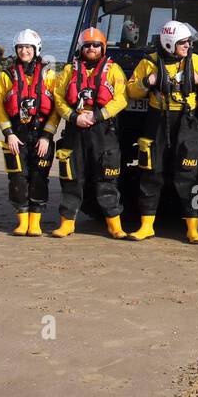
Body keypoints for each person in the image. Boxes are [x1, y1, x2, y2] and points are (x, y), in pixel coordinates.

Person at [127, 20, 198, 243]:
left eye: (188, 42)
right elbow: (131, 90)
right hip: (156, 120)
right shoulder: (149, 63)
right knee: (150, 172)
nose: (188, 46)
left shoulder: (196, 62)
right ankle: (146, 225)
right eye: (183, 43)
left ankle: (194, 227)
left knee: (190, 175)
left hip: (187, 122)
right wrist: (148, 82)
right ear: (169, 44)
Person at [50, 27, 128, 239]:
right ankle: (67, 223)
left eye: (95, 45)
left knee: (107, 178)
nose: (91, 48)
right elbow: (58, 98)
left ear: (102, 47)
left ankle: (114, 224)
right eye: (87, 45)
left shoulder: (113, 70)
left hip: (103, 130)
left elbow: (121, 99)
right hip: (76, 130)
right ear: (81, 48)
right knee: (72, 178)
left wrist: (97, 115)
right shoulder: (68, 71)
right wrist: (75, 117)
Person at [0, 29, 56, 236]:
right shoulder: (8, 75)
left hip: (41, 135)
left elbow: (57, 108)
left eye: (28, 47)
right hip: (16, 134)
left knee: (39, 177)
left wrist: (47, 136)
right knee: (18, 178)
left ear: (36, 49)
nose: (24, 51)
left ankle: (35, 221)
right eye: (20, 47)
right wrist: (8, 133)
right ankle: (22, 219)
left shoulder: (49, 74)